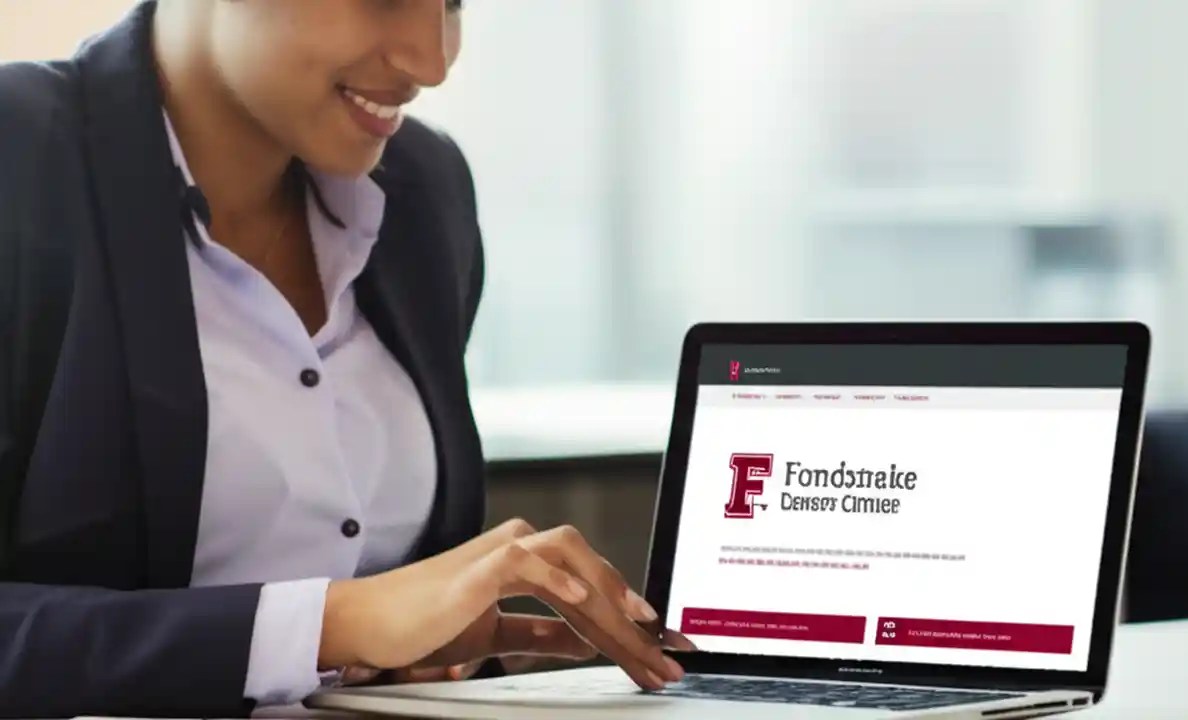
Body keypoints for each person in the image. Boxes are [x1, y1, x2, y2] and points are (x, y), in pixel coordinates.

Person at [0, 1, 689, 717]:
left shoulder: (423, 186)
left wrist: (438, 656)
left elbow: (396, 609)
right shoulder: (20, 155)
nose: (433, 61)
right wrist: (334, 626)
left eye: (453, 3)